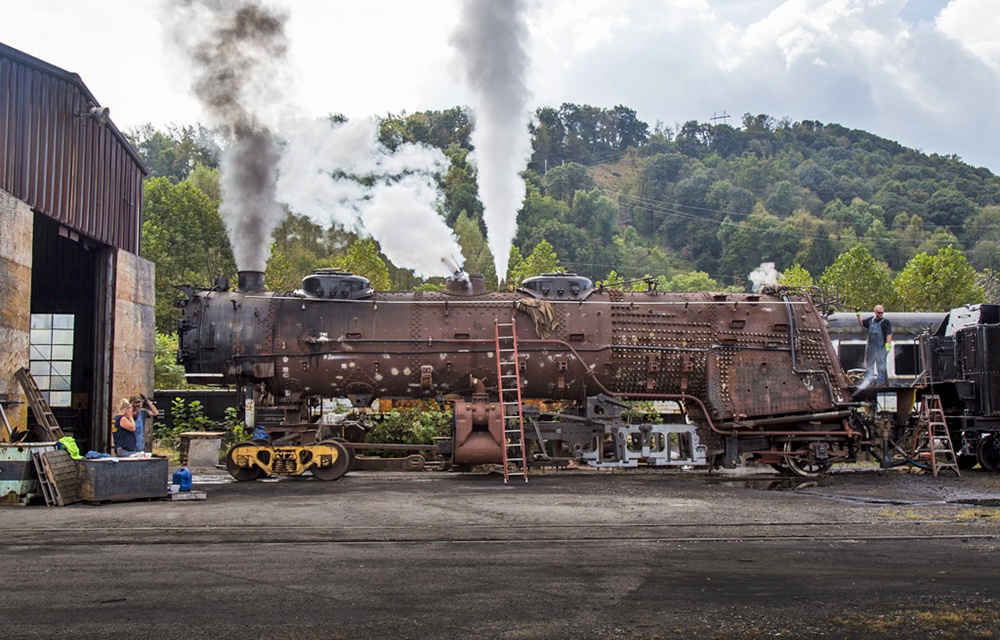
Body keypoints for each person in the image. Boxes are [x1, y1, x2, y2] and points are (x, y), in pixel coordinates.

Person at [856, 305, 893, 385]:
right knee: (869, 365)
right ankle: (869, 381)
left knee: (881, 366)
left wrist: (888, 345)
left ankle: (880, 382)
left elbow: (889, 334)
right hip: (871, 348)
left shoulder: (886, 322)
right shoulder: (870, 320)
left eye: (882, 313)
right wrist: (858, 314)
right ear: (875, 312)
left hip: (881, 348)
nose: (881, 314)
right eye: (879, 313)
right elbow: (862, 323)